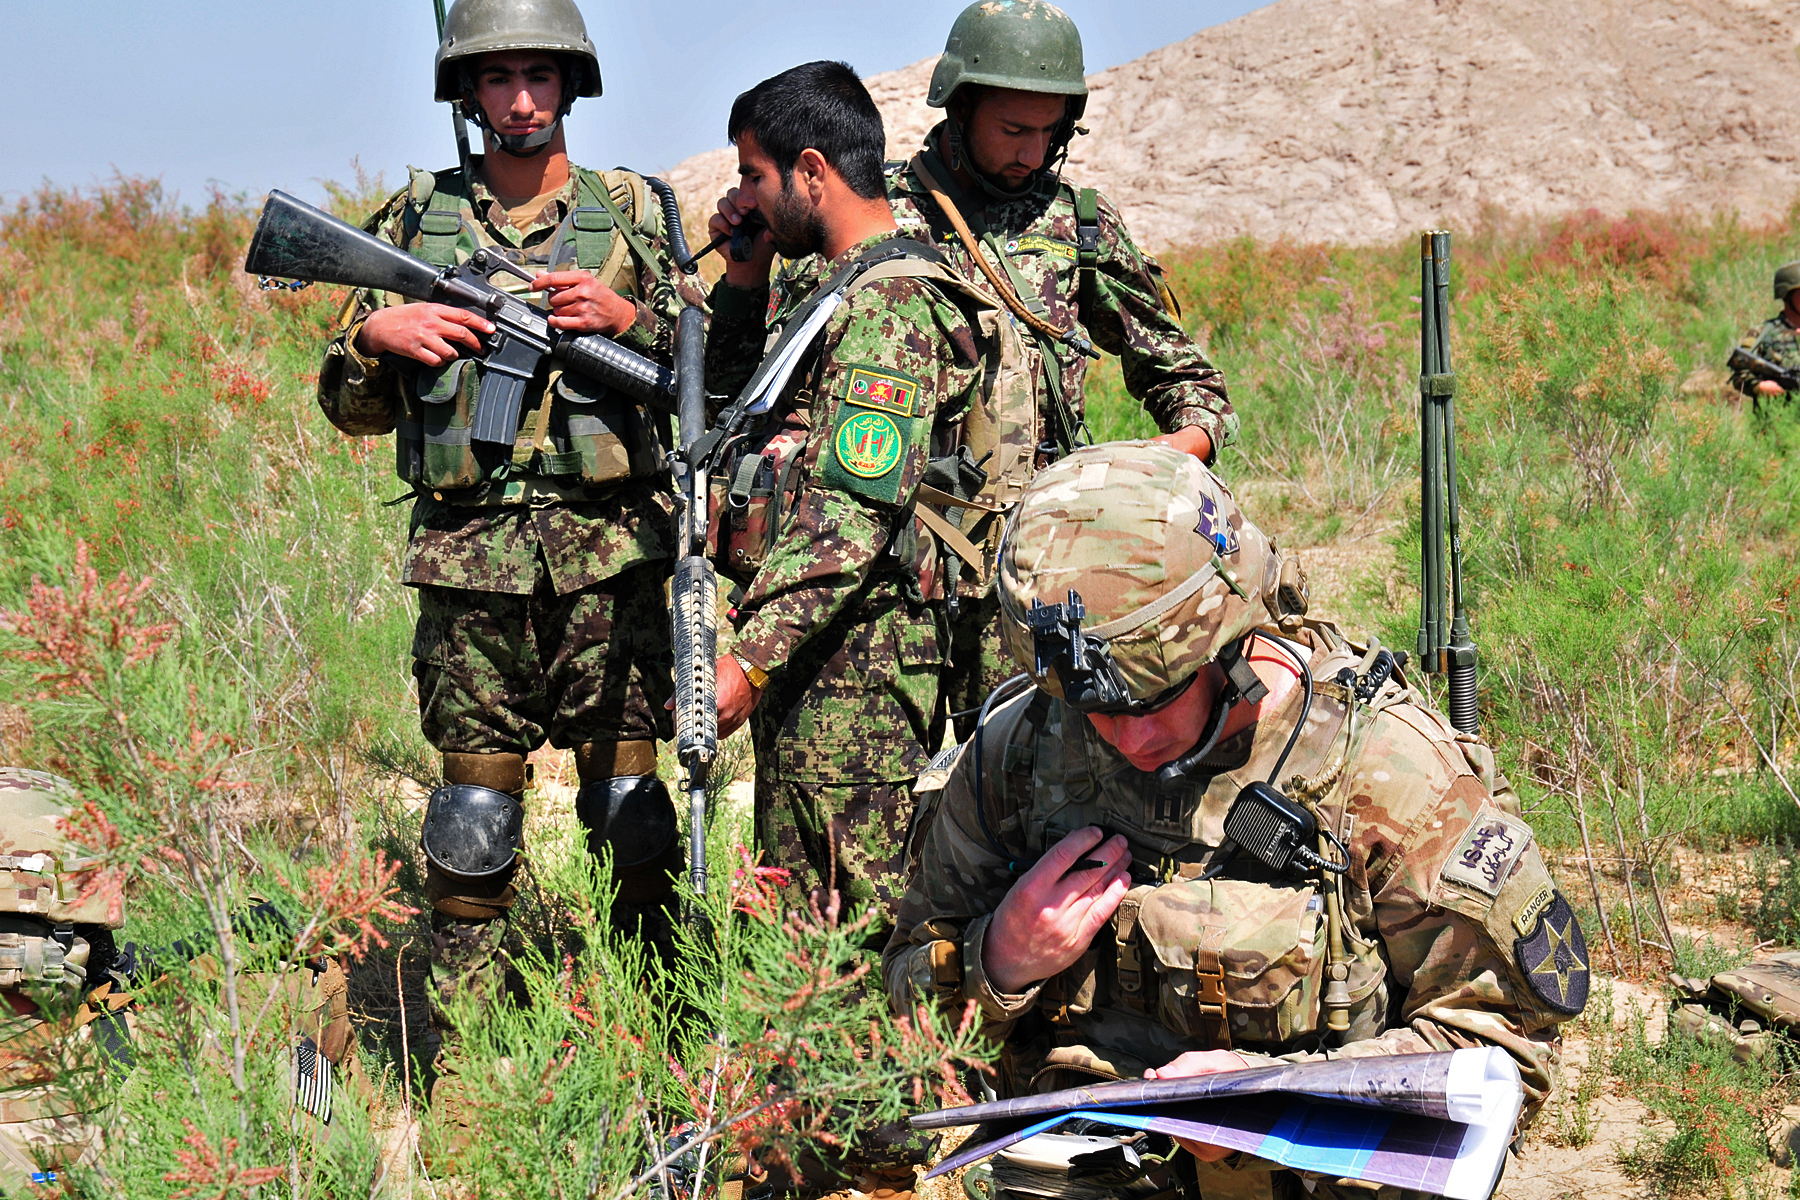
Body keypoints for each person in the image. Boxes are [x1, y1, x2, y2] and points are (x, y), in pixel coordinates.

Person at [885, 442, 1587, 1199]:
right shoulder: (1018, 752)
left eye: (1153, 701)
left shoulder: (1387, 773)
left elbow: (1503, 1051)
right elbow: (901, 1024)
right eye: (1094, 711)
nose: (1127, 739)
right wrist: (998, 961)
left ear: (1230, 641)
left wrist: (1268, 1092)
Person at [313, 0, 702, 1136]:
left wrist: (634, 317)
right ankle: (472, 1076)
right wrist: (372, 342)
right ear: (464, 92)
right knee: (472, 824)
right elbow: (348, 407)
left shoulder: (637, 214)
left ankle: (659, 1053)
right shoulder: (412, 220)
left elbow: (712, 378)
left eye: (540, 75)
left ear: (570, 84)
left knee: (633, 817)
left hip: (613, 571)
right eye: (498, 78)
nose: (521, 99)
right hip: (470, 569)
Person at [700, 60, 1014, 1196]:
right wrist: (741, 270)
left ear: (813, 170)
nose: (747, 195)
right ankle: (821, 1135)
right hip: (823, 654)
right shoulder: (829, 286)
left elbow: (851, 507)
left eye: (754, 177)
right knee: (806, 893)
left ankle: (865, 1153)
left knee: (845, 906)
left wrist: (749, 657)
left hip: (860, 657)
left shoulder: (889, 303)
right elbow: (732, 401)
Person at [888, 0, 1239, 739]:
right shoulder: (884, 215)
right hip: (894, 570)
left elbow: (1188, 383)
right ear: (959, 106)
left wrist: (1173, 455)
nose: (1032, 150)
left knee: (1028, 803)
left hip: (1034, 567)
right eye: (1014, 129)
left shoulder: (1079, 224)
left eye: (1051, 132)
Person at [1728, 261, 1800, 409]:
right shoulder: (1763, 333)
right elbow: (1739, 375)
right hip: (1778, 424)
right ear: (1786, 295)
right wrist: (1759, 387)